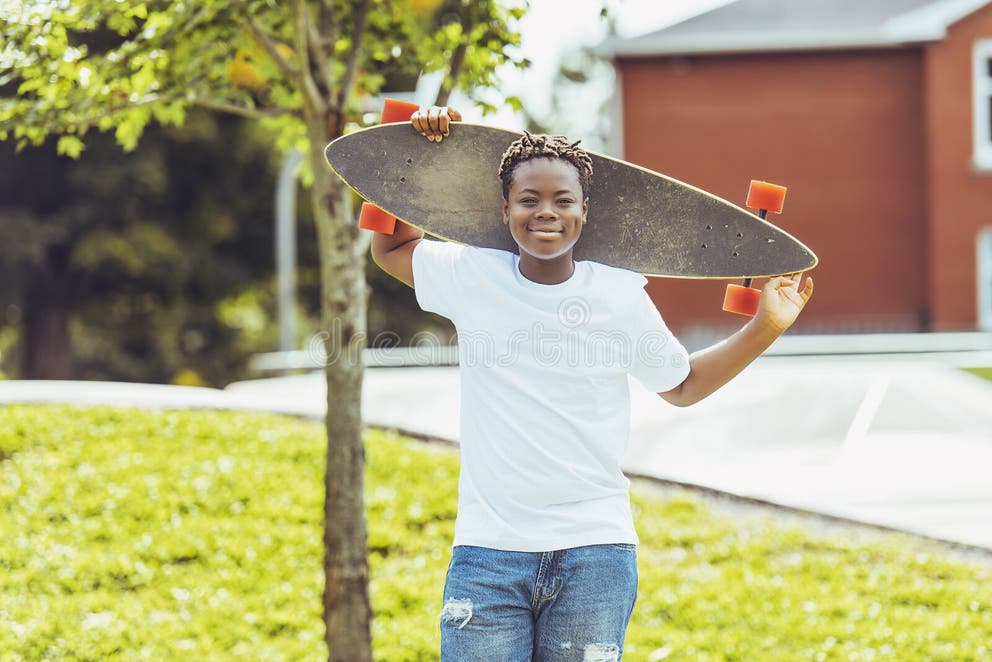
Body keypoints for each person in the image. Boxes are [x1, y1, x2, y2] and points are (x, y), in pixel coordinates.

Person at [370, 105, 814, 661]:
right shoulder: (472, 273)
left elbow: (682, 385)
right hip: (488, 553)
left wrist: (766, 326)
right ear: (504, 209)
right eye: (528, 200)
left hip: (594, 553)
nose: (545, 213)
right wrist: (418, 149)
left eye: (563, 200)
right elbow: (389, 247)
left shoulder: (618, 295)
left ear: (585, 210)